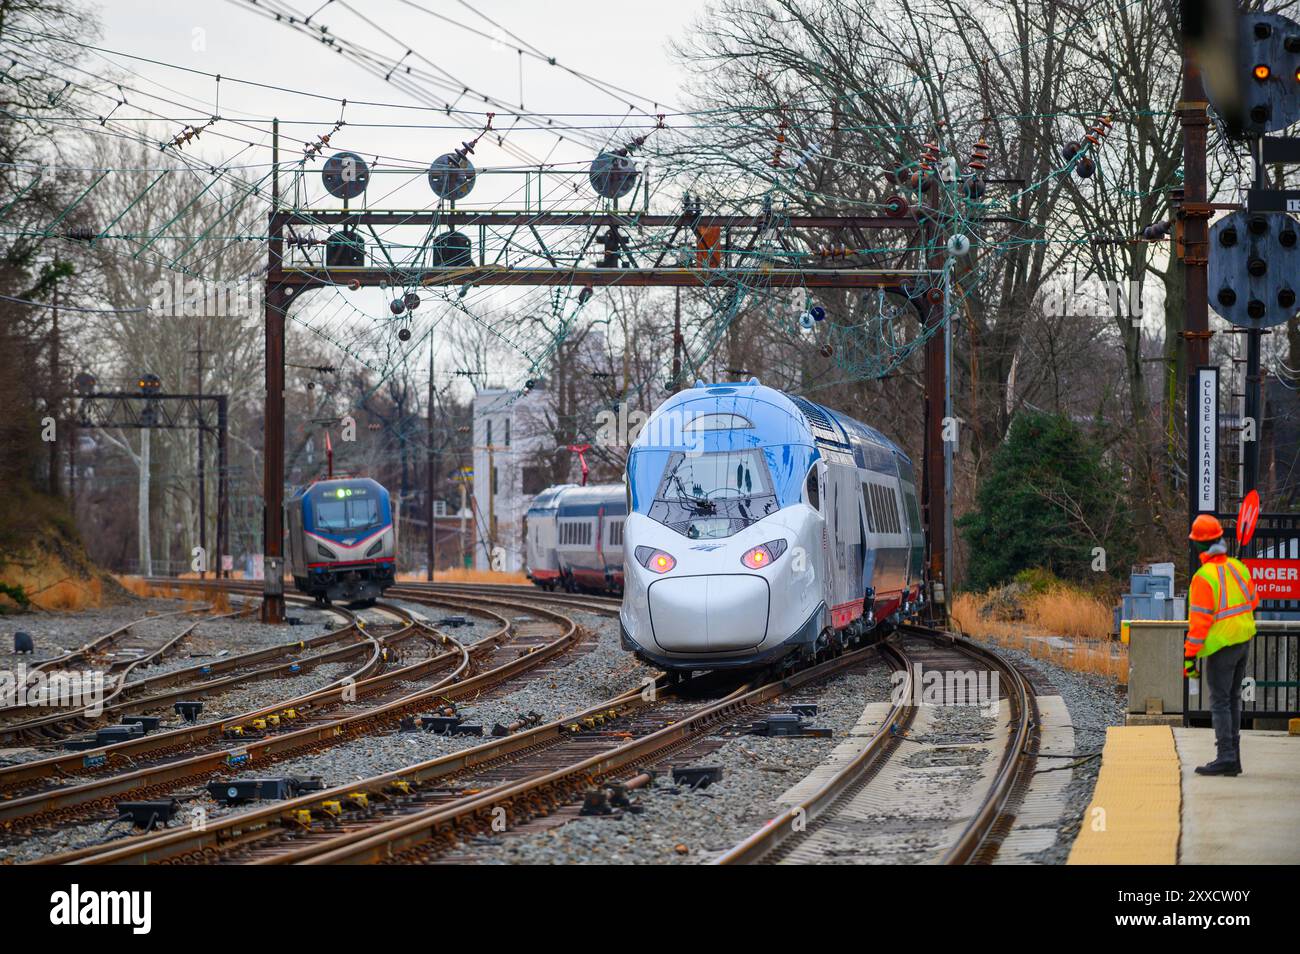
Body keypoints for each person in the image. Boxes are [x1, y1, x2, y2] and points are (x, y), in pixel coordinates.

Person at [1185, 514, 1259, 776]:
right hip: (1243, 641)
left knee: (1219, 702)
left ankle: (1226, 756)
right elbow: (1253, 601)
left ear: (1199, 546)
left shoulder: (1203, 578)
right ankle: (1233, 757)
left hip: (1221, 646)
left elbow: (1199, 624)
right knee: (1233, 698)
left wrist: (1190, 656)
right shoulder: (1238, 568)